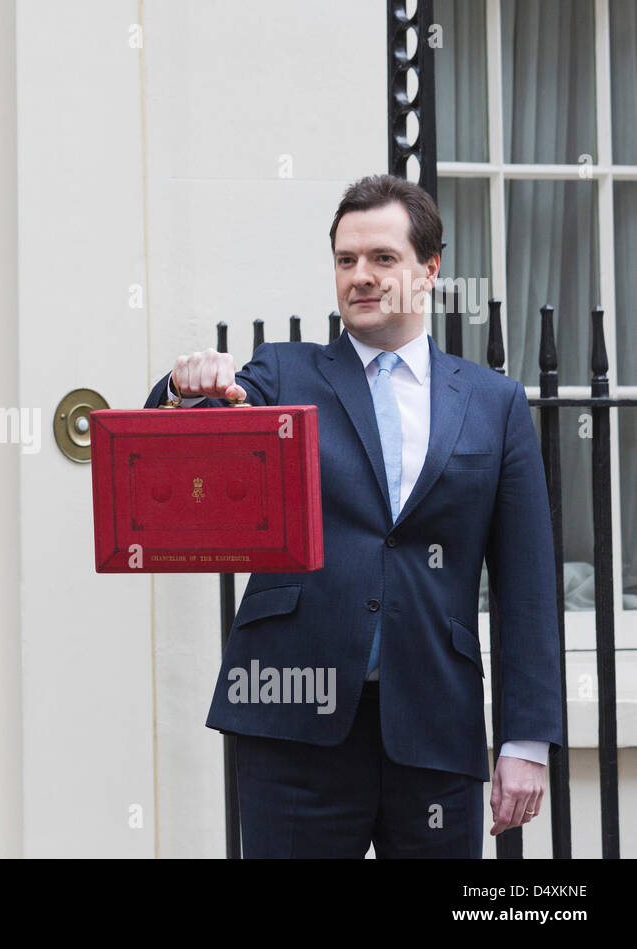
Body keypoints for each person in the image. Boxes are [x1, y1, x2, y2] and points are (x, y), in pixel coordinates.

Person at [143, 174, 562, 858]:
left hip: (434, 728)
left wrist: (525, 740)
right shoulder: (282, 373)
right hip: (292, 730)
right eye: (345, 260)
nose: (360, 276)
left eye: (382, 259)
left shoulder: (494, 403)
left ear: (429, 270)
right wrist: (185, 389)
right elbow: (187, 444)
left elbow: (527, 584)